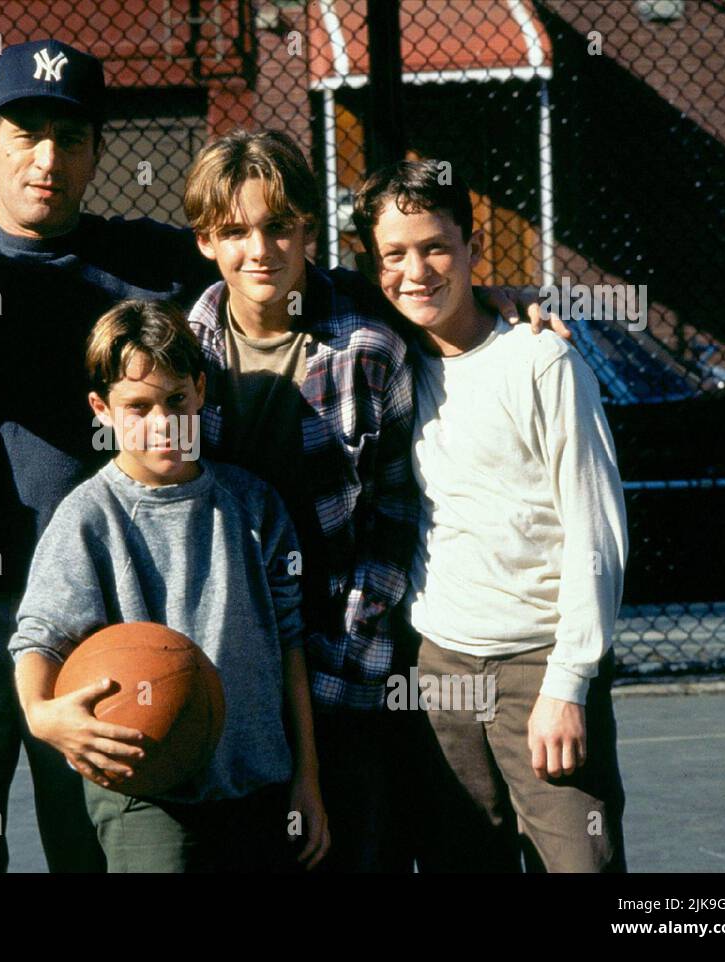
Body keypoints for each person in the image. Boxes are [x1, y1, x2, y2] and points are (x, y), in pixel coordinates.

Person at [0, 39, 556, 873]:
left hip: (100, 612)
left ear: (94, 152)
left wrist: (481, 303)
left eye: (69, 137)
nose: (46, 157)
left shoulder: (146, 261)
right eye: (25, 134)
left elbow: (275, 261)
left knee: (97, 843)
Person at [354, 158, 628, 872]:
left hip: (539, 665)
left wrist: (569, 683)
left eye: (437, 247)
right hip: (438, 667)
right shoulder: (389, 358)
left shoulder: (542, 362)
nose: (417, 270)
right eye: (395, 254)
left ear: (475, 248)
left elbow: (597, 532)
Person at [10, 299, 328, 872]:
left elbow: (290, 642)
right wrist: (40, 713)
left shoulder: (252, 503)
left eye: (176, 400)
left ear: (201, 391)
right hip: (147, 793)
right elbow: (39, 637)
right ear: (101, 409)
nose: (163, 423)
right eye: (138, 406)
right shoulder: (90, 516)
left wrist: (307, 777)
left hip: (258, 785)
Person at [181, 129, 419, 871]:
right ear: (205, 242)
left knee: (350, 851)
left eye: (279, 227)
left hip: (342, 658)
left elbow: (395, 517)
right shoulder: (185, 355)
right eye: (234, 232)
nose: (260, 250)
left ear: (309, 231)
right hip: (227, 664)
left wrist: (350, 654)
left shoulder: (368, 350)